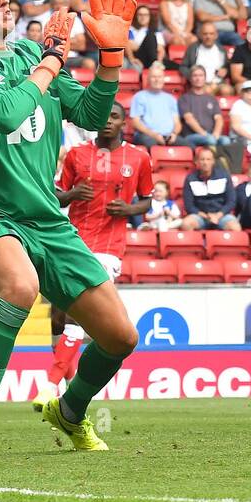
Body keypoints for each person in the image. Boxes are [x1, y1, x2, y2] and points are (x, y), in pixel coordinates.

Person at [0, 0, 139, 463]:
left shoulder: (28, 52)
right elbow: (6, 111)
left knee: (120, 336)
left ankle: (69, 411)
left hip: (47, 219)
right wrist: (50, 60)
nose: (5, 0)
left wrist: (110, 58)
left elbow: (91, 115)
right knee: (20, 287)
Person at [45, 101, 152, 409]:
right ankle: (68, 384)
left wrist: (130, 210)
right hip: (74, 241)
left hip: (109, 246)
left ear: (124, 123)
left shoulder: (139, 157)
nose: (108, 121)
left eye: (114, 116)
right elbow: (55, 194)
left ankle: (49, 384)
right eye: (104, 115)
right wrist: (72, 195)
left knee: (80, 312)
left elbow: (146, 200)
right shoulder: (77, 154)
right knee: (58, 315)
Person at [181, 146, 241, 231]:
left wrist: (218, 215)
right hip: (200, 216)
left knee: (235, 227)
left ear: (213, 161)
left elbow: (231, 201)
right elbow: (189, 205)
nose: (205, 162)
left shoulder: (224, 176)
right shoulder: (190, 179)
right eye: (202, 159)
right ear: (197, 162)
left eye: (208, 159)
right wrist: (205, 216)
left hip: (221, 215)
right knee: (186, 224)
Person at [129, 64, 182, 147]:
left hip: (168, 135)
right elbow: (135, 122)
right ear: (148, 79)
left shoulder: (171, 99)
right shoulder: (139, 96)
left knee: (189, 147)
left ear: (163, 79)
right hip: (146, 135)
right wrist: (154, 135)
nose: (157, 80)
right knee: (151, 144)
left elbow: (177, 123)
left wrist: (174, 134)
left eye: (160, 77)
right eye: (154, 77)